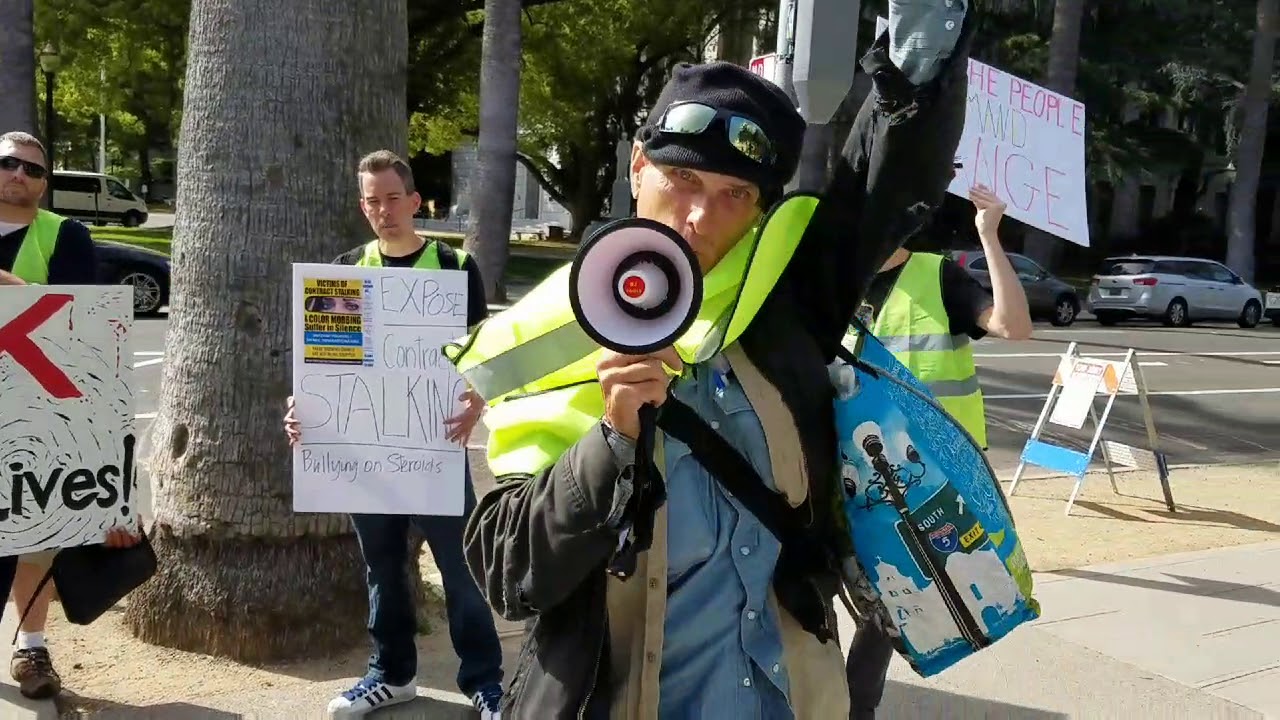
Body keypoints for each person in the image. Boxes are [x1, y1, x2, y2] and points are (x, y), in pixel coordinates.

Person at [445, 1, 976, 716]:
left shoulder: (780, 304)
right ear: (639, 166)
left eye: (735, 195)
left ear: (761, 212)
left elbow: (884, 183)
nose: (700, 218)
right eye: (683, 181)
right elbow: (512, 574)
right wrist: (610, 443)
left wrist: (924, 33)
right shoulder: (546, 337)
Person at [282, 150, 504, 719]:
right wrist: (305, 408)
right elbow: (329, 364)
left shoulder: (454, 266)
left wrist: (476, 400)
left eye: (392, 198)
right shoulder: (347, 269)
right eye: (372, 200)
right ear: (363, 206)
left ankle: (485, 682)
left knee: (463, 570)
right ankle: (392, 673)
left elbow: (482, 351)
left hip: (436, 449)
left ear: (415, 201)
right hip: (369, 456)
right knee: (381, 568)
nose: (383, 210)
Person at [841, 184, 1031, 716]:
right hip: (833, 464)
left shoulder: (937, 276)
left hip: (919, 481)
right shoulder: (832, 279)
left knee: (887, 603)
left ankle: (856, 710)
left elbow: (1014, 326)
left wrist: (989, 238)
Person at [0, 130, 145, 700]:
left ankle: (31, 646)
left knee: (33, 531)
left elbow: (79, 325)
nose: (20, 176)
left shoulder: (65, 234)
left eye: (34, 171)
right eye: (8, 164)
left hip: (36, 406)